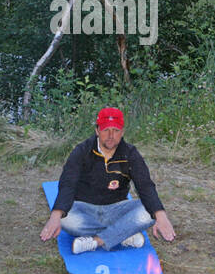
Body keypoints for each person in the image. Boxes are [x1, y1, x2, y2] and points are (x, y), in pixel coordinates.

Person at [39, 106, 176, 253]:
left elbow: (145, 186)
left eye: (116, 131)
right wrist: (55, 216)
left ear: (122, 132)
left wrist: (162, 217)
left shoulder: (130, 153)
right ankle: (123, 234)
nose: (111, 135)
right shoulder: (82, 151)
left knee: (150, 212)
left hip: (117, 210)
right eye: (106, 130)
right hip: (85, 209)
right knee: (64, 218)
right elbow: (68, 183)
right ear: (97, 130)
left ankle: (97, 241)